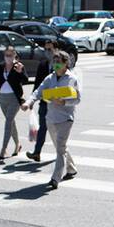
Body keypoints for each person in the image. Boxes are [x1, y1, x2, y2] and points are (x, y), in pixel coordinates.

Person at [29, 45, 80, 189]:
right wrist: (30, 102)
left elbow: (77, 99)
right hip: (51, 118)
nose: (55, 64)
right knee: (60, 147)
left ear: (66, 64)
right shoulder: (50, 78)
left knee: (60, 148)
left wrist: (64, 101)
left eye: (59, 62)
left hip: (65, 118)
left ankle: (55, 178)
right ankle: (71, 168)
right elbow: (39, 91)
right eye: (54, 61)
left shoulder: (72, 79)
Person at [0, 45, 27, 162]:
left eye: (10, 55)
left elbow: (25, 80)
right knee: (11, 123)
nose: (8, 57)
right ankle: (18, 144)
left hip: (14, 98)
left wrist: (20, 72)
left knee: (8, 121)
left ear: (15, 56)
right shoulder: (0, 67)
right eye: (6, 55)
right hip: (2, 98)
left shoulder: (18, 66)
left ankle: (3, 149)